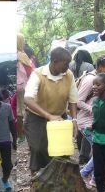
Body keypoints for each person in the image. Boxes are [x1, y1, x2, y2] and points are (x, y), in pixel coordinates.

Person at [23, 46, 78, 174]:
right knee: (37, 149)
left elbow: (73, 99)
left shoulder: (68, 75)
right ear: (54, 62)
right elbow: (28, 99)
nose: (68, 67)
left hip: (59, 118)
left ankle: (59, 178)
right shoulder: (38, 74)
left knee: (61, 150)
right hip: (37, 117)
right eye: (65, 64)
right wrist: (48, 116)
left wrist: (74, 119)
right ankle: (37, 178)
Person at [76, 54, 105, 187]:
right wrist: (94, 110)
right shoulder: (90, 80)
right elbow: (79, 101)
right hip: (85, 123)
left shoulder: (102, 81)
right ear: (99, 67)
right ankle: (84, 174)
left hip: (95, 122)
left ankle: (94, 178)